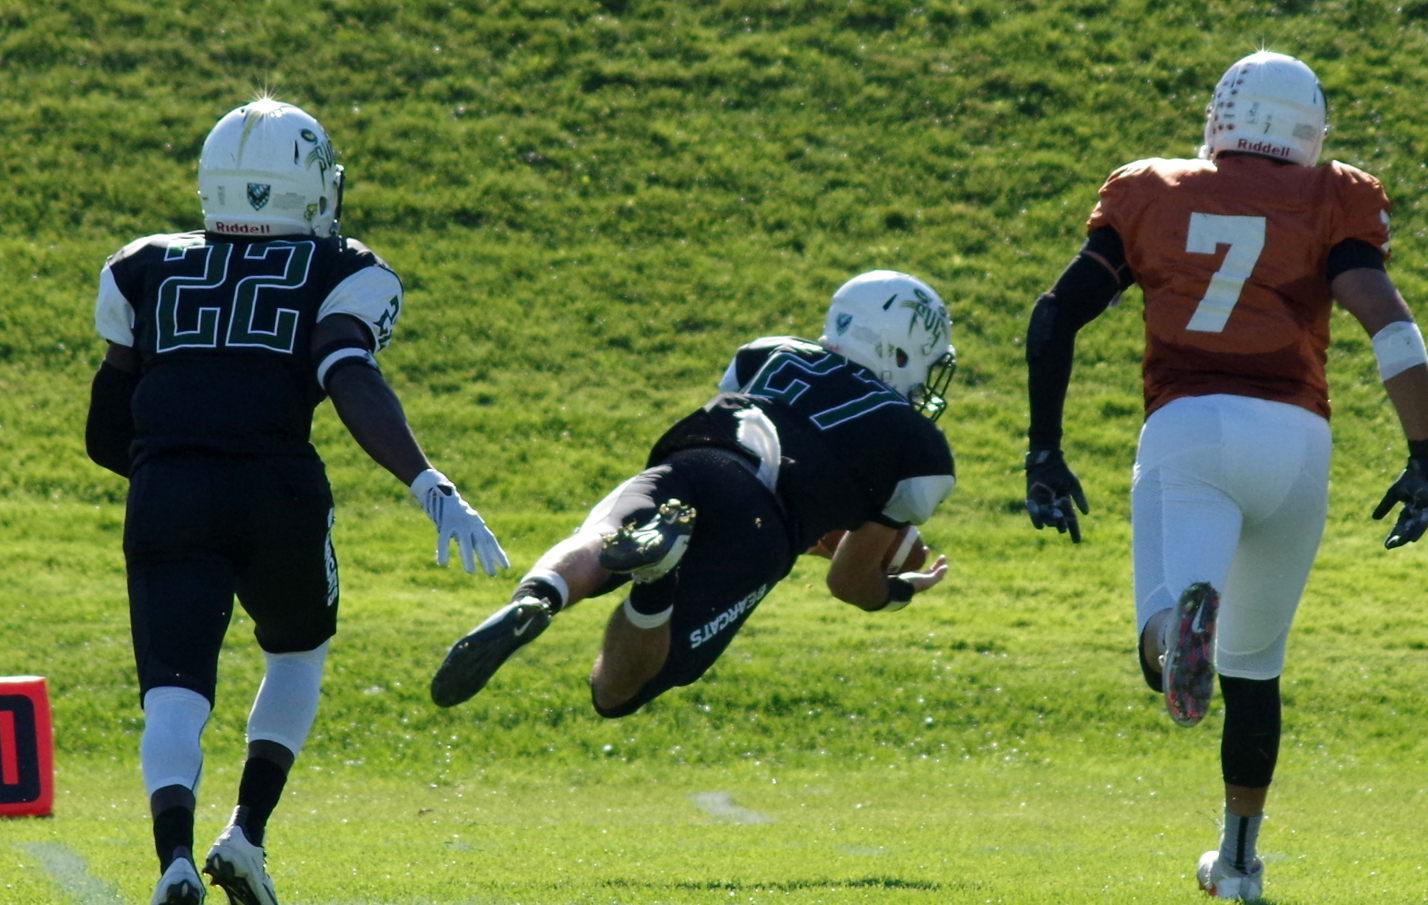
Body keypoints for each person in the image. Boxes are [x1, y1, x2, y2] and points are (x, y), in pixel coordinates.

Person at [1021, 50, 1428, 900]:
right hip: (1297, 445)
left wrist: (1044, 448)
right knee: (1255, 668)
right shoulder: (1335, 196)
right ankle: (1238, 864)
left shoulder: (1152, 192)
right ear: (1310, 133)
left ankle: (1176, 639)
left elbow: (1057, 314)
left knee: (1162, 641)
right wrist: (1425, 451)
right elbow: (1391, 327)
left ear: (1221, 116)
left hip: (1191, 429)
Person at [84, 99, 508, 905]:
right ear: (309, 184)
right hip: (276, 489)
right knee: (296, 650)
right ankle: (244, 833)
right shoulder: (343, 267)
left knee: (173, 692)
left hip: (166, 490)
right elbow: (347, 369)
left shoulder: (142, 264)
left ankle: (173, 860)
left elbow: (107, 435)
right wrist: (429, 482)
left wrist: (177, 476)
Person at [430, 270, 956, 719]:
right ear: (900, 348)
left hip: (694, 463)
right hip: (761, 523)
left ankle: (537, 597)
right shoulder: (919, 447)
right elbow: (848, 580)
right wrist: (897, 592)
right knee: (616, 692)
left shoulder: (767, 354)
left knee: (600, 535)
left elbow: (793, 435)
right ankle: (656, 584)